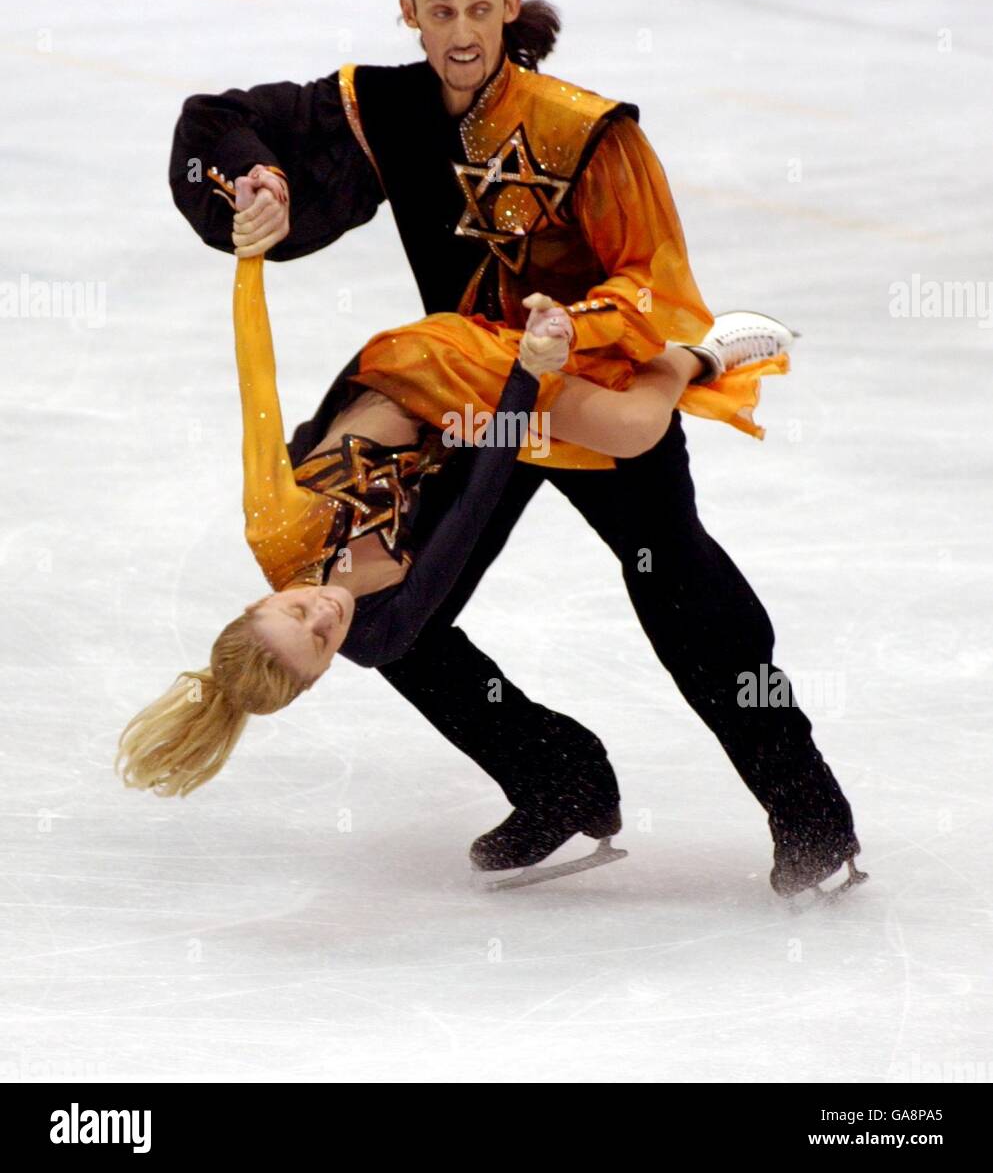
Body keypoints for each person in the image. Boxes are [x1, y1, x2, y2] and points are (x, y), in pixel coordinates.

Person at [167, 0, 864, 899]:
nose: (460, 32)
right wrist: (253, 182)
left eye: (478, 8)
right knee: (394, 625)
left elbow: (649, 281)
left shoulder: (583, 130)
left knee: (672, 578)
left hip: (585, 375)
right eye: (439, 10)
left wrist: (566, 333)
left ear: (507, 5)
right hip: (462, 410)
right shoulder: (385, 107)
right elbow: (216, 122)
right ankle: (557, 774)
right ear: (410, 13)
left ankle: (807, 807)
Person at [119, 166, 792, 805]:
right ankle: (693, 355)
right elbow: (470, 510)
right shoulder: (380, 630)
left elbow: (254, 376)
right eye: (321, 641)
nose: (325, 616)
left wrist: (250, 258)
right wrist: (526, 381)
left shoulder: (275, 522)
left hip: (423, 363)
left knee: (630, 425)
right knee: (622, 417)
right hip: (467, 430)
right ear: (326, 671)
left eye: (297, 613)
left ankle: (699, 353)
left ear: (255, 603)